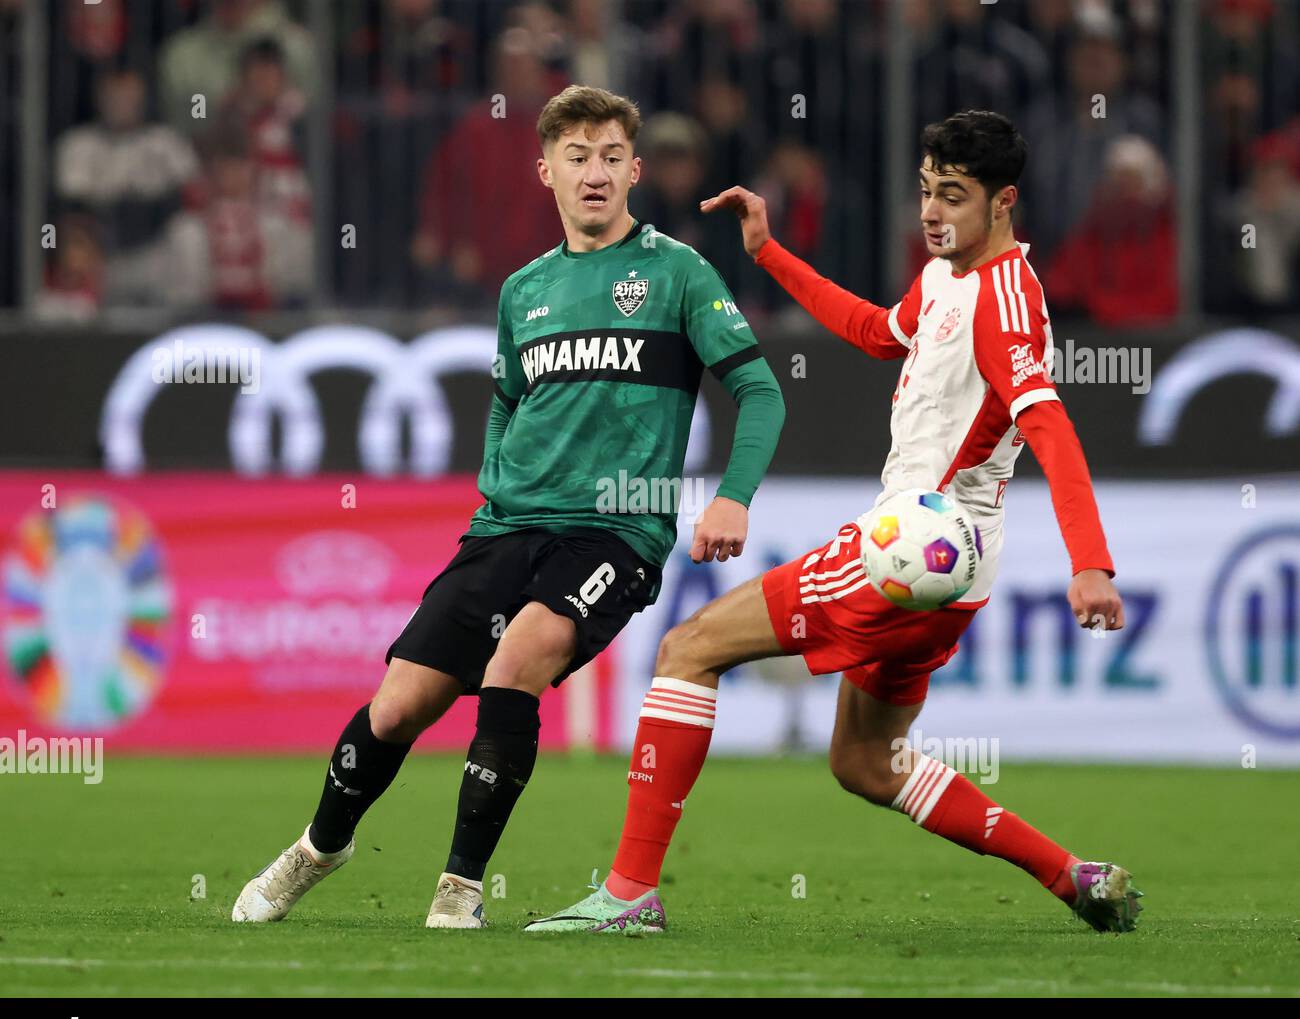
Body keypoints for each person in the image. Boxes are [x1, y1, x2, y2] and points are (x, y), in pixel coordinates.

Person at [526, 110, 1143, 937]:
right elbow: (878, 332)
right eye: (926, 191)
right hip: (951, 571)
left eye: (953, 197)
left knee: (687, 649)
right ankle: (1073, 875)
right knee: (865, 762)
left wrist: (1092, 562)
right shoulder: (946, 276)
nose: (931, 212)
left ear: (1004, 204)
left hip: (911, 546)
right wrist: (769, 253)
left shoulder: (1006, 303)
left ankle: (631, 891)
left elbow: (1050, 427)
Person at [231, 85, 786, 929]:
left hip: (615, 529)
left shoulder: (676, 271)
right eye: (576, 156)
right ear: (546, 172)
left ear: (634, 170)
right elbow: (504, 398)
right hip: (507, 527)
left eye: (609, 157)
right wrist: (497, 477)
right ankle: (320, 845)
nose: (593, 173)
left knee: (516, 661)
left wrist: (734, 497)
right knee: (397, 706)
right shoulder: (523, 291)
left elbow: (760, 389)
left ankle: (459, 888)